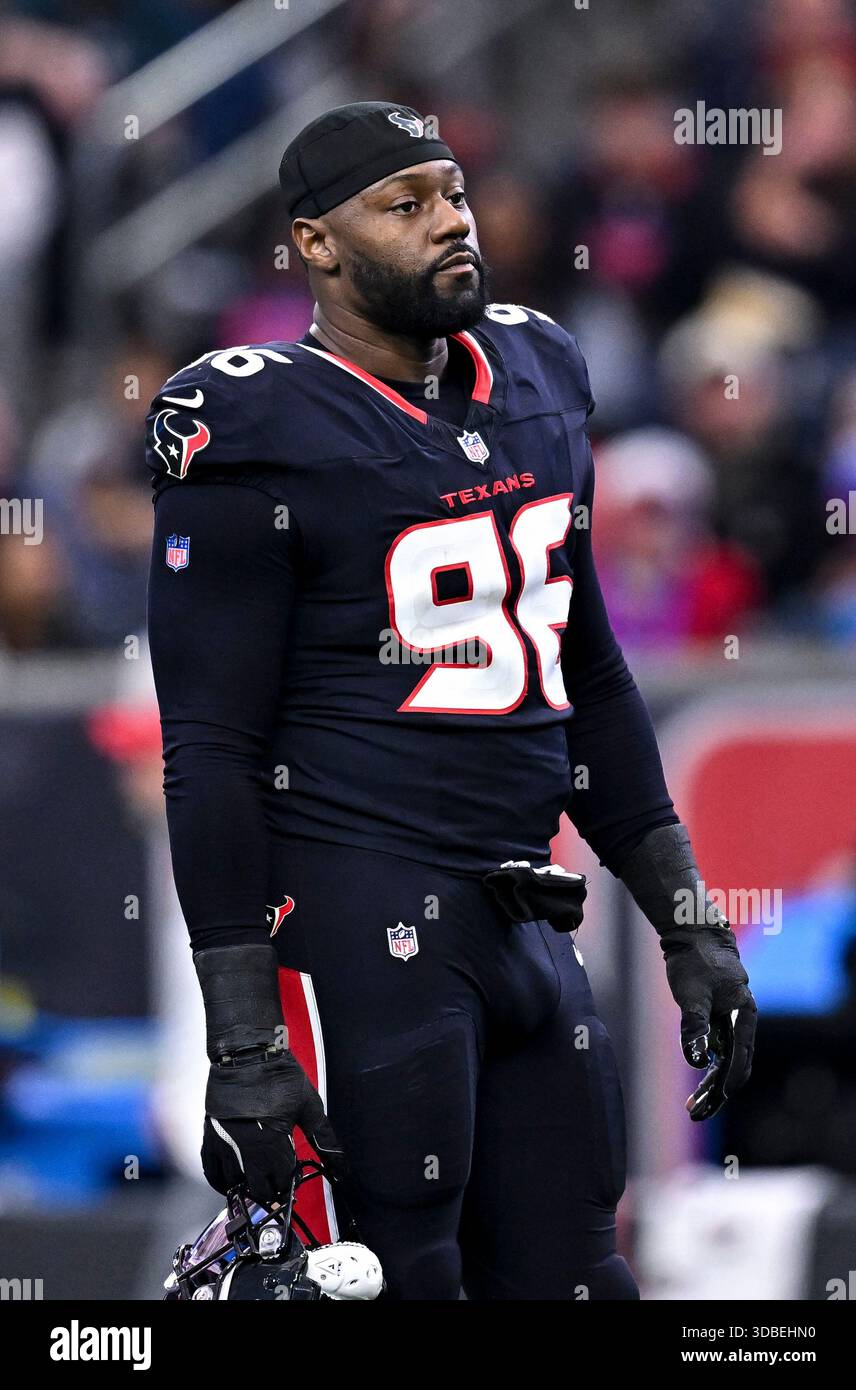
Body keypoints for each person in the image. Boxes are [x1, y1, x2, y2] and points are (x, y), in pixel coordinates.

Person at [145, 101, 756, 1300]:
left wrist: (688, 920)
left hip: (525, 914)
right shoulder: (256, 422)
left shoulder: (536, 371)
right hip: (351, 922)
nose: (449, 223)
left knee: (581, 1276)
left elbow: (588, 675)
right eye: (404, 204)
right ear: (316, 244)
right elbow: (208, 748)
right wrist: (243, 1033)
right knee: (384, 1279)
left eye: (453, 194)